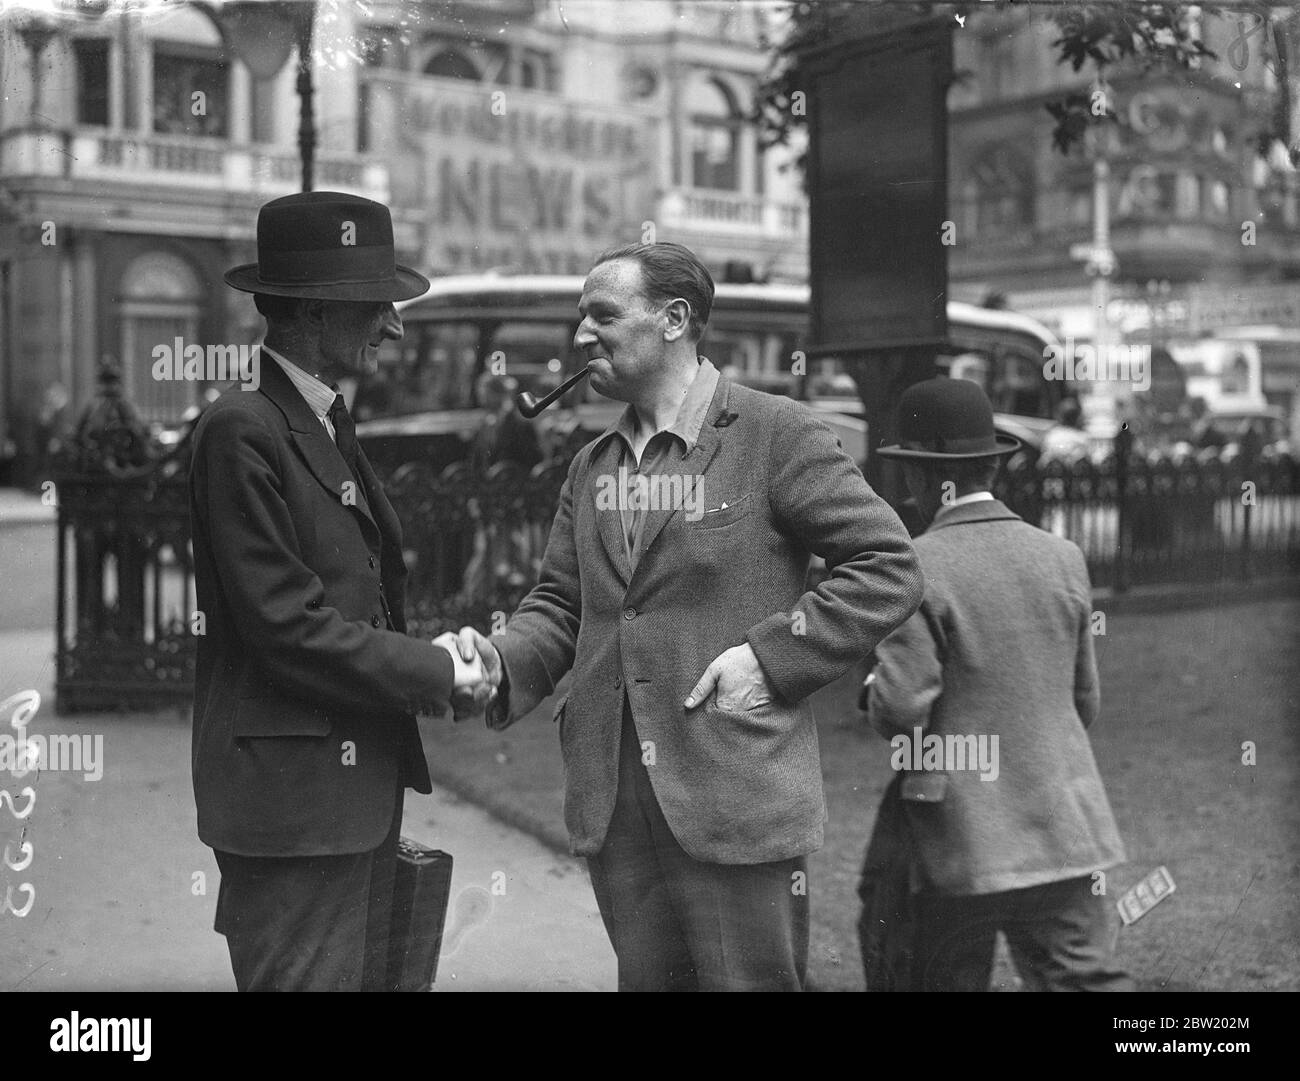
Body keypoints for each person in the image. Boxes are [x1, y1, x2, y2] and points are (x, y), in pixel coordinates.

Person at [447, 241, 924, 991]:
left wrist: (772, 660)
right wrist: (500, 660)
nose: (580, 335)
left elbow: (887, 567)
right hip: (615, 803)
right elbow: (564, 604)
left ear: (674, 319)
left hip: (733, 793)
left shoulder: (776, 434)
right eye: (580, 318)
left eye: (602, 314)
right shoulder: (592, 465)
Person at [190, 191, 487, 991]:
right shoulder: (243, 430)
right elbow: (286, 626)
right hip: (294, 813)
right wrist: (436, 671)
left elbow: (360, 596)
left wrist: (436, 655)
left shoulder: (316, 420)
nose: (393, 326)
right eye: (378, 305)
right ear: (318, 314)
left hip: (339, 800)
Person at [863, 377, 1132, 992]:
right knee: (1085, 979)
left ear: (920, 477)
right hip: (1060, 817)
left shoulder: (916, 566)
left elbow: (901, 709)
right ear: (992, 465)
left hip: (959, 832)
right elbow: (1083, 700)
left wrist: (871, 689)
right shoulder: (1062, 556)